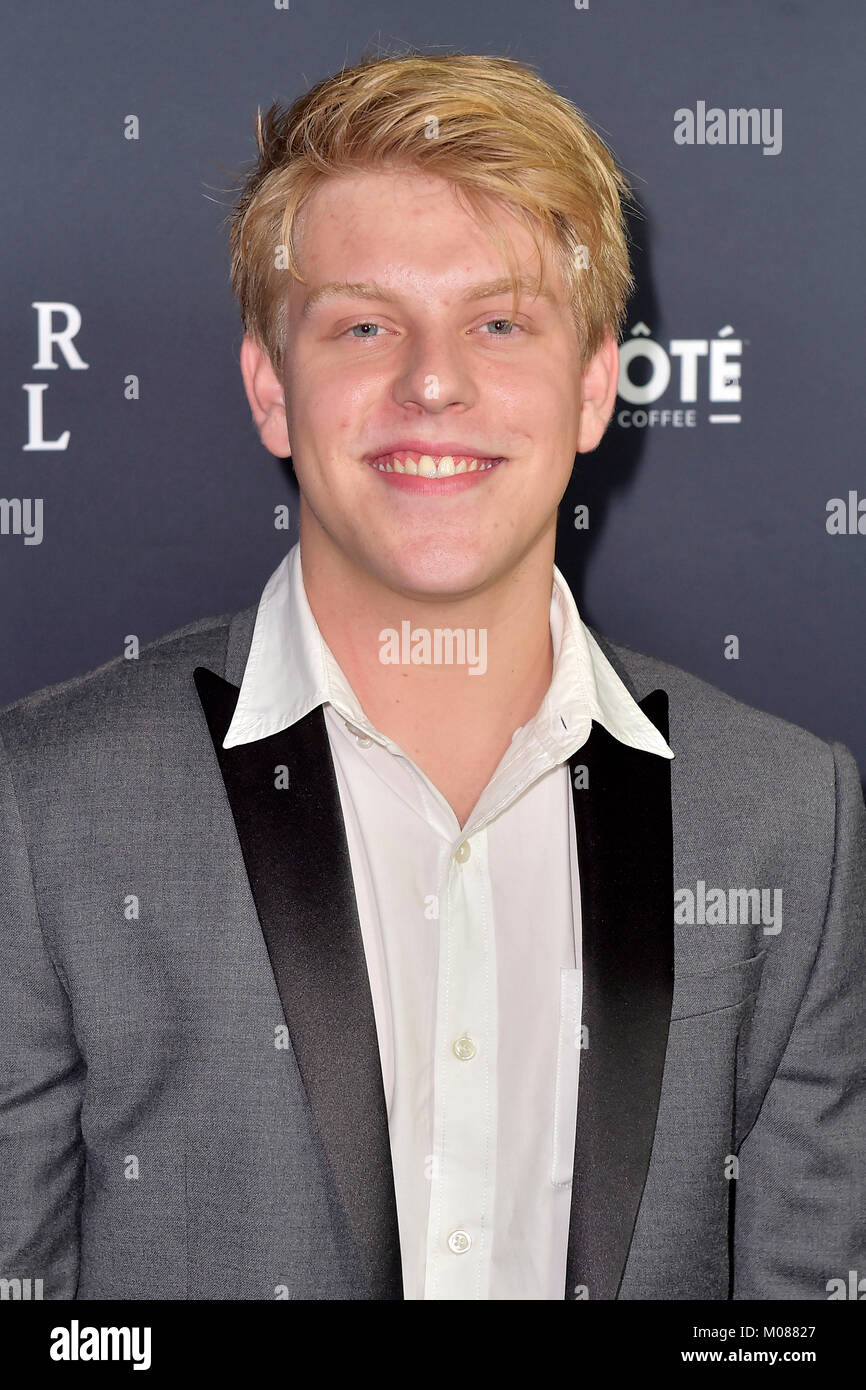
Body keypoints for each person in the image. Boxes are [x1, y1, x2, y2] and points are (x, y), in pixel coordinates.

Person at [1, 52, 863, 1302]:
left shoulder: (790, 819)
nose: (432, 382)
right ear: (270, 391)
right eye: (362, 324)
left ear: (590, 387)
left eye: (499, 321)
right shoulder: (42, 808)